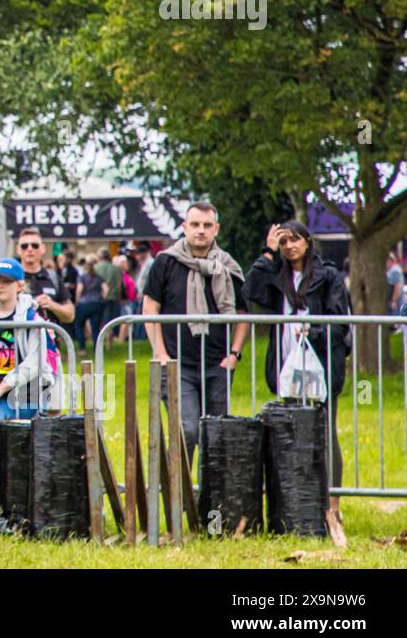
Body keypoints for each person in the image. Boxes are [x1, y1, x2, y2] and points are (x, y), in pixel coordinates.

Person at [242, 220, 351, 516]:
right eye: (284, 242)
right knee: (289, 433)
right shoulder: (278, 278)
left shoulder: (328, 275)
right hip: (287, 365)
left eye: (295, 240)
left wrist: (312, 333)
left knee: (326, 434)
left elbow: (340, 323)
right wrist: (266, 252)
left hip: (321, 365)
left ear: (307, 241)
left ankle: (332, 505)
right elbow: (250, 291)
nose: (290, 246)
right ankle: (295, 502)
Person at [142, 202, 250, 464]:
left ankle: (211, 502)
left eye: (206, 225)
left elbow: (243, 315)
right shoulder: (165, 262)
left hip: (217, 365)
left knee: (215, 437)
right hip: (178, 364)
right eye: (194, 225)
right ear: (184, 227)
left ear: (216, 229)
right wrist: (161, 353)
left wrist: (234, 355)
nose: (200, 231)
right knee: (187, 431)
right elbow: (149, 309)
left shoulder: (228, 266)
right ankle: (178, 500)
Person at [0, 258, 53, 452]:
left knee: (33, 451)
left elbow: (35, 361)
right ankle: (3, 484)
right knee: (3, 451)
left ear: (20, 285)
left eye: (6, 281)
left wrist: (2, 386)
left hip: (30, 393)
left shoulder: (32, 318)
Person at [72, 256, 105, 352]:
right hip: (97, 303)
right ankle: (97, 348)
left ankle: (82, 348)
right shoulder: (99, 278)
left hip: (84, 304)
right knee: (95, 328)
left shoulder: (82, 278)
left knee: (78, 325)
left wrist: (77, 301)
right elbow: (106, 289)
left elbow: (79, 290)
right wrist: (102, 298)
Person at [94, 247, 124, 345]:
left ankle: (103, 342)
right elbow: (119, 285)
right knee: (110, 320)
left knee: (101, 321)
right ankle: (109, 342)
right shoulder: (116, 269)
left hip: (99, 299)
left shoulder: (95, 267)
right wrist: (119, 298)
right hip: (113, 298)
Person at [113, 253, 137, 344]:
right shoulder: (120, 276)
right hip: (125, 300)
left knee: (127, 321)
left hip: (129, 300)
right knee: (126, 320)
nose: (126, 264)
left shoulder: (126, 275)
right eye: (124, 263)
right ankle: (121, 339)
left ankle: (123, 338)